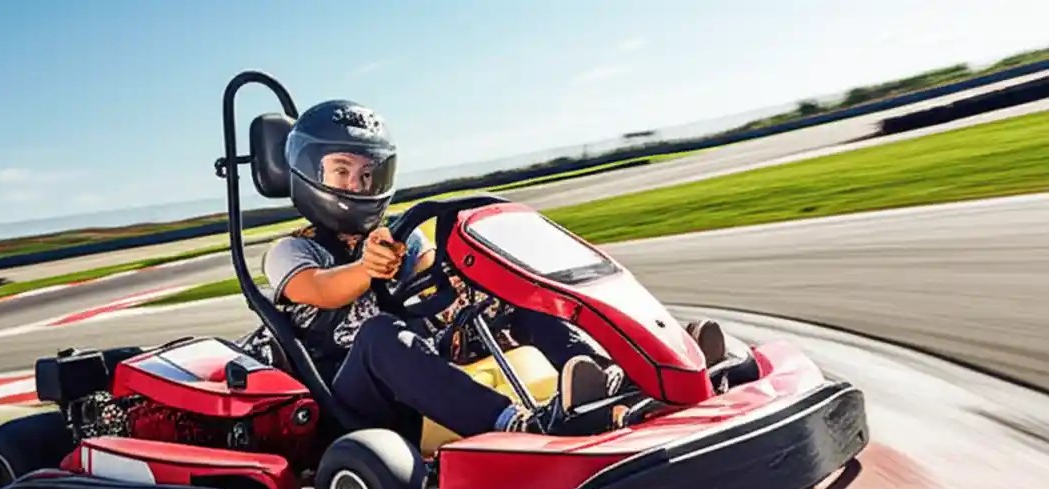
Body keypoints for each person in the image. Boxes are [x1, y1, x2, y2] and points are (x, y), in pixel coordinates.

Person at [255, 99, 724, 439]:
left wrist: (468, 283)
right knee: (378, 334)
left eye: (368, 173)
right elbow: (321, 290)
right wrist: (367, 268)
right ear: (309, 174)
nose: (358, 183)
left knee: (520, 295)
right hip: (351, 398)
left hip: (420, 361)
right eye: (342, 171)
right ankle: (513, 423)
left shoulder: (404, 237)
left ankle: (614, 376)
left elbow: (431, 284)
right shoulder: (291, 252)